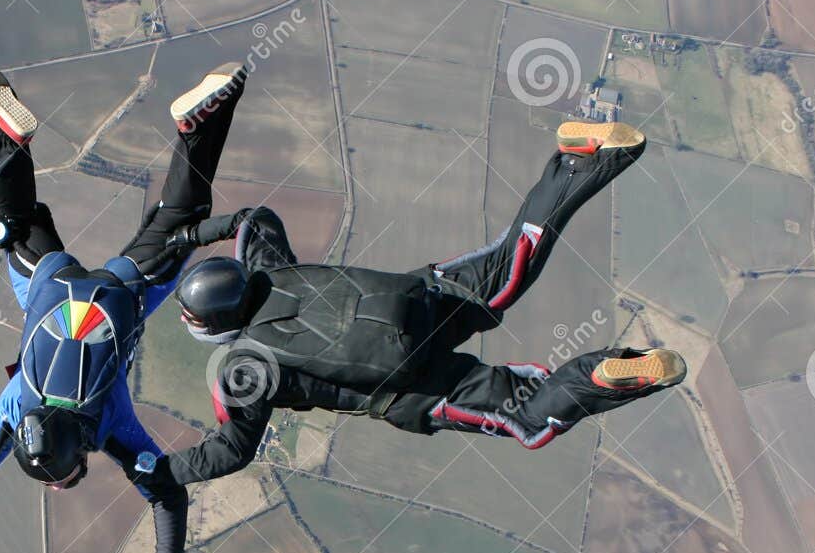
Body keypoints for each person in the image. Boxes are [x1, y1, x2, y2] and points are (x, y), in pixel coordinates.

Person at [0, 63, 248, 553]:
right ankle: (6, 136)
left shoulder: (108, 424)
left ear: (80, 456)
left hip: (123, 290)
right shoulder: (17, 406)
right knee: (10, 221)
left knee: (183, 217)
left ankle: (198, 128)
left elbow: (166, 496)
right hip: (50, 280)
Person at [153, 120, 687, 487]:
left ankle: (598, 376)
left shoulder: (245, 369)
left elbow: (230, 451)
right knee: (509, 261)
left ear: (215, 325)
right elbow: (254, 219)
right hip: (424, 298)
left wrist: (159, 472)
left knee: (525, 415)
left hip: (413, 386)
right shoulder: (266, 270)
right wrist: (190, 237)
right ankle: (580, 161)